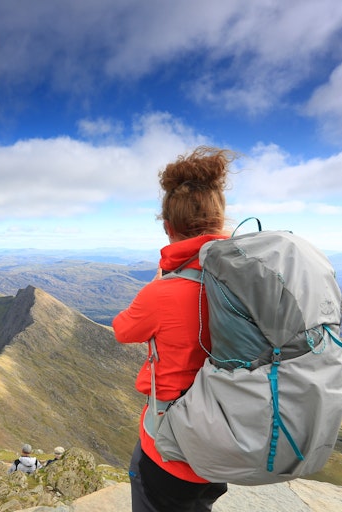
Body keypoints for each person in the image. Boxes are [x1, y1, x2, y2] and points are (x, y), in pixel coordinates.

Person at [113, 146, 231, 512]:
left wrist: (156, 287)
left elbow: (122, 329)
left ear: (167, 228)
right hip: (224, 442)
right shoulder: (246, 284)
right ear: (222, 220)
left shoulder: (163, 293)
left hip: (170, 450)